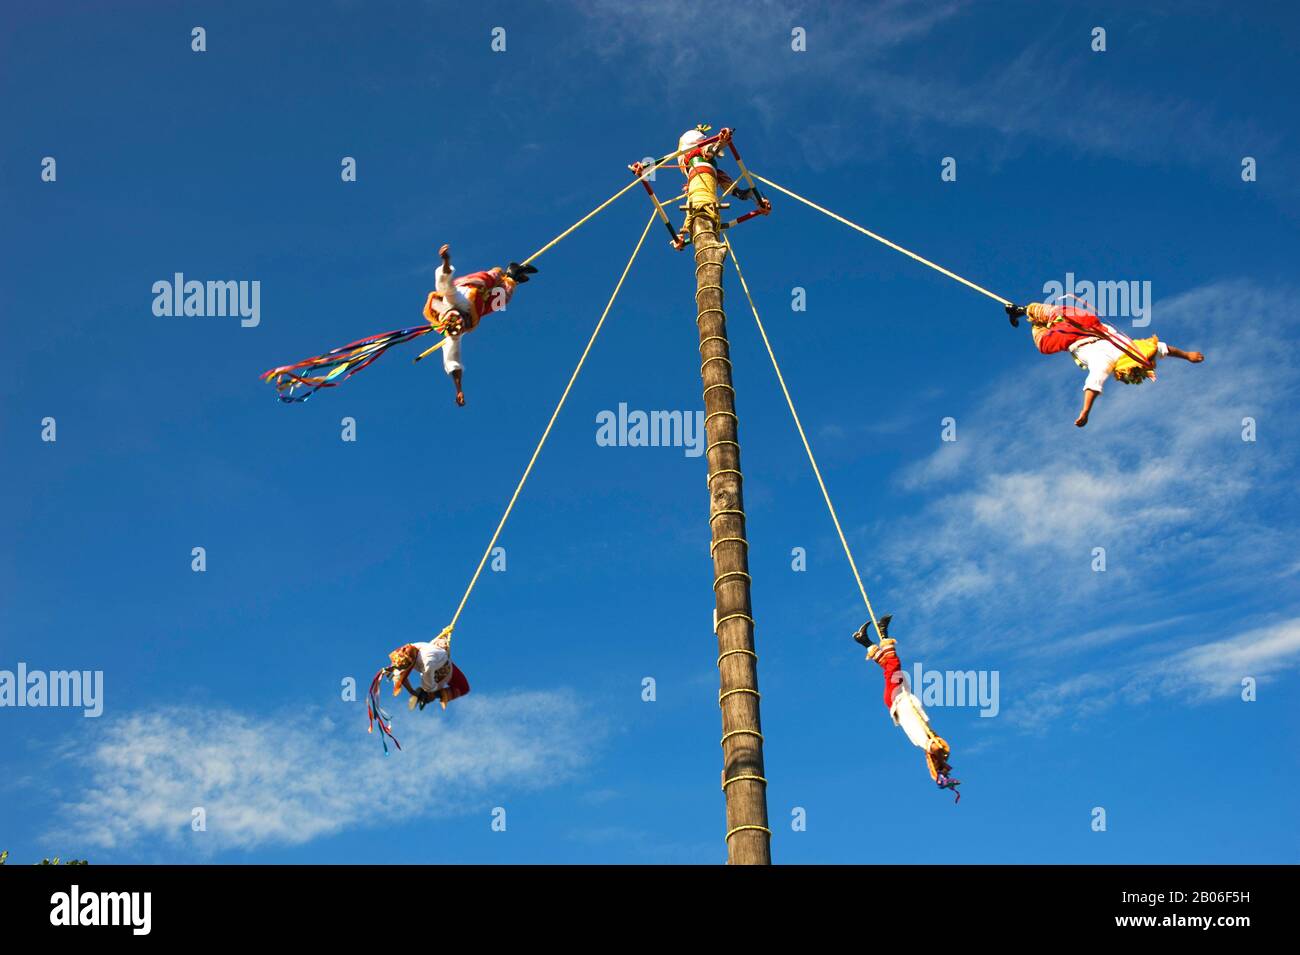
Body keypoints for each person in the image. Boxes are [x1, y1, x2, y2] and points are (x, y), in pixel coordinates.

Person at [1006, 300, 1204, 427]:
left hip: (1082, 330)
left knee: (1053, 327)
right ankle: (1031, 314)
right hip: (1080, 333)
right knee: (1045, 342)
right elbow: (1093, 386)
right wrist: (1085, 412)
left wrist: (1188, 355)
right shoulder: (1110, 362)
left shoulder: (1133, 348)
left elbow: (1163, 348)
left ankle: (1031, 313)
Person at [853, 615, 959, 798]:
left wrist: (940, 760)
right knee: (890, 667)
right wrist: (942, 763)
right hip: (902, 696)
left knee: (893, 665)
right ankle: (864, 640)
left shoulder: (921, 739)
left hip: (898, 699)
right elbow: (936, 749)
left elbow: (934, 749)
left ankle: (883, 633)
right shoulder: (927, 734)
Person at [424, 244, 537, 407]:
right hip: (479, 306)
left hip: (473, 286)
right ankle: (513, 277)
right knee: (501, 301)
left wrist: (446, 261)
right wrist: (459, 390)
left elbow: (445, 281)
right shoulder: (453, 335)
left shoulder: (450, 300)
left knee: (490, 279)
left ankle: (504, 273)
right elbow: (452, 361)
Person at [387, 629, 470, 711]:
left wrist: (430, 694)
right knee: (429, 687)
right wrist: (411, 691)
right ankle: (426, 694)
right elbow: (399, 675)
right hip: (437, 663)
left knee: (463, 688)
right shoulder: (406, 649)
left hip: (444, 671)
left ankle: (433, 695)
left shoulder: (427, 662)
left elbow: (429, 687)